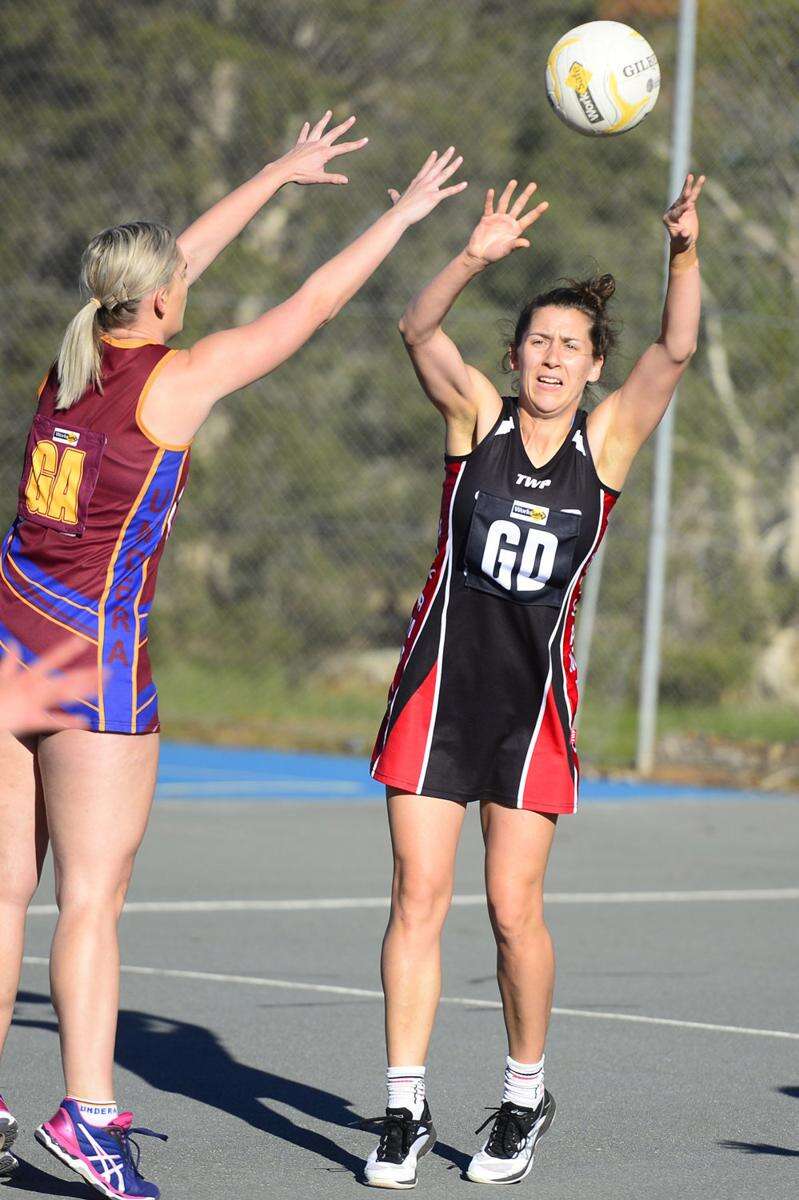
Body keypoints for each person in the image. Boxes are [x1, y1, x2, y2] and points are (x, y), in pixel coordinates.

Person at [0, 109, 467, 1198]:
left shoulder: (68, 365)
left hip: (5, 635)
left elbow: (169, 265)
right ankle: (89, 1117)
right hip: (89, 671)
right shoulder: (179, 379)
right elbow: (310, 305)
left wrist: (276, 172)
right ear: (159, 300)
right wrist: (396, 216)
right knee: (94, 909)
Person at [363, 172, 704, 1188]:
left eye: (572, 346)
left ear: (596, 367)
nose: (553, 358)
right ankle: (401, 1108)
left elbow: (677, 348)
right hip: (437, 694)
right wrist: (471, 255)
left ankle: (522, 1096)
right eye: (538, 343)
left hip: (530, 711)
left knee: (513, 912)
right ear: (514, 358)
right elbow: (417, 329)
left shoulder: (606, 446)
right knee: (417, 897)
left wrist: (682, 251)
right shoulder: (476, 420)